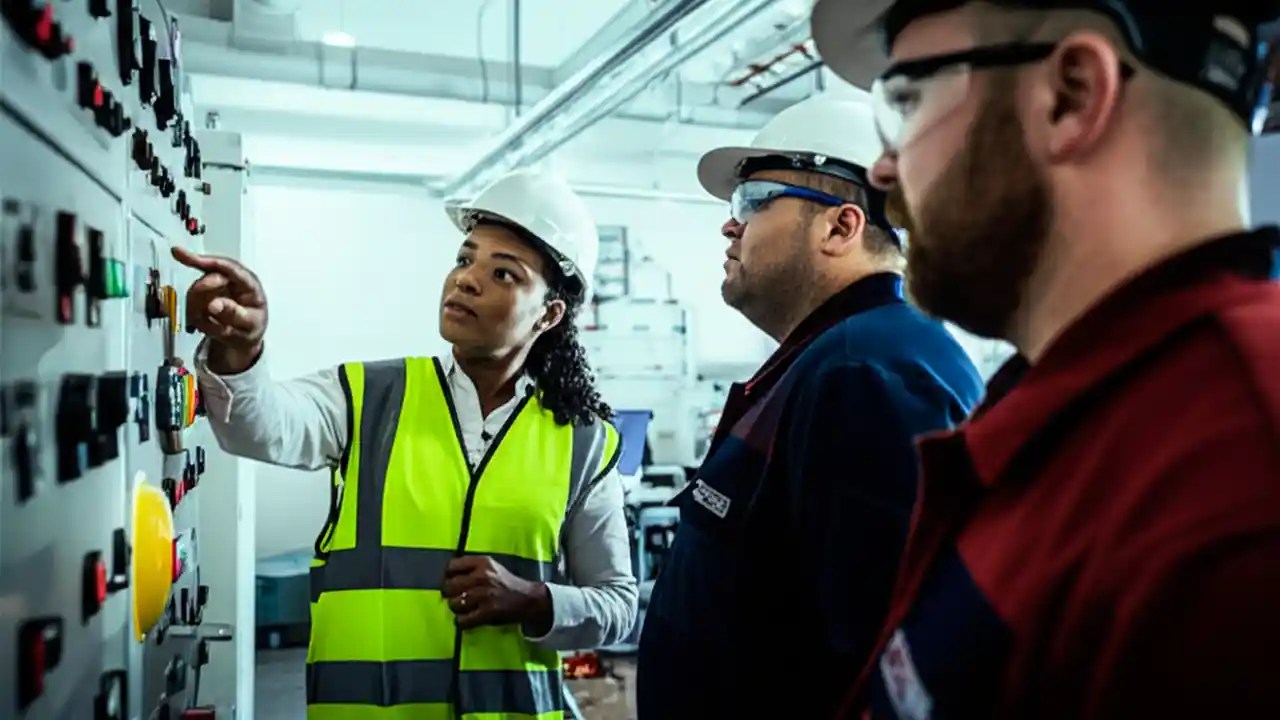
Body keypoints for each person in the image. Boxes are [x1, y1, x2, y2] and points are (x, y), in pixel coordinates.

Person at [809, 0, 1280, 717]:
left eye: (907, 99)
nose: (881, 167)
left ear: (1072, 94)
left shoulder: (1234, 491)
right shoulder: (1081, 413)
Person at [176, 168, 638, 719]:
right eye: (464, 260)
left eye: (503, 274)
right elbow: (260, 426)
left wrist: (535, 599)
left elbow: (617, 605)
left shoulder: (582, 441)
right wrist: (242, 349)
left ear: (550, 314)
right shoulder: (367, 396)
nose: (466, 280)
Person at [636, 94, 985, 719]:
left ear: (840, 227)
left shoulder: (867, 374)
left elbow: (884, 666)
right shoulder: (829, 361)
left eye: (752, 200)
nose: (728, 224)